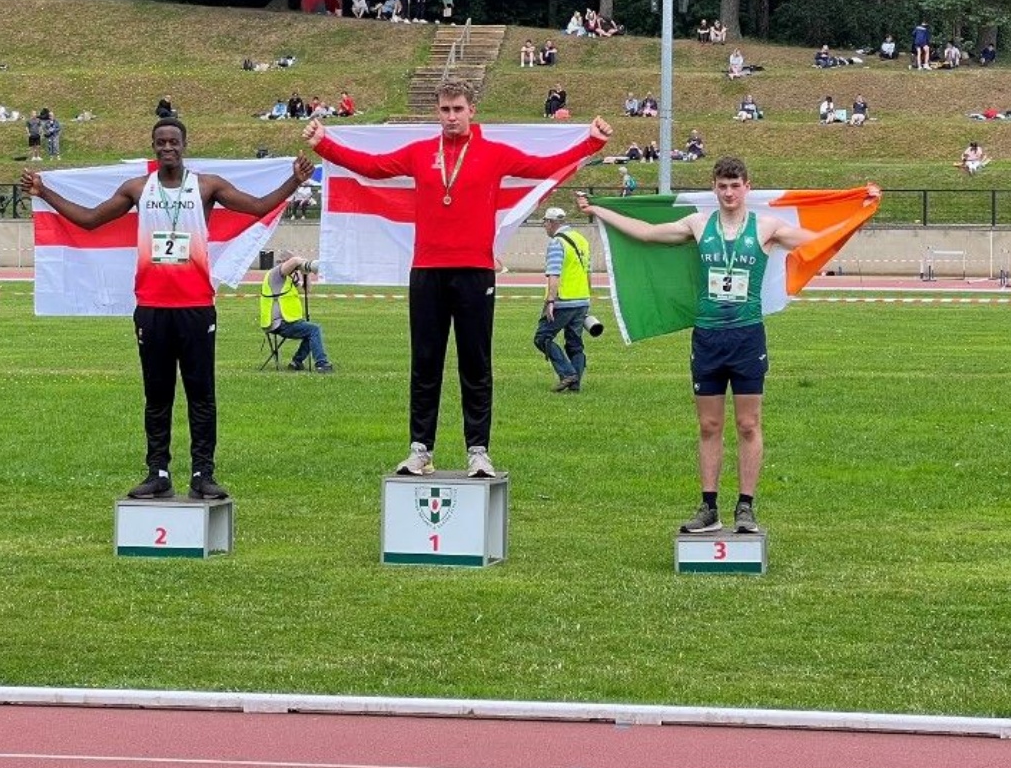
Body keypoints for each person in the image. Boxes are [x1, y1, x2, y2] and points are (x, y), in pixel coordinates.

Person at [303, 78, 611, 477]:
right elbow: (373, 167)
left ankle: (478, 450)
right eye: (445, 110)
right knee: (425, 362)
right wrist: (324, 145)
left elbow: (542, 166)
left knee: (476, 363)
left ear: (471, 111)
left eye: (458, 109)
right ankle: (420, 449)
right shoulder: (419, 152)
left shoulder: (494, 153)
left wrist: (591, 144)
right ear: (438, 112)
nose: (451, 117)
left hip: (475, 271)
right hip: (427, 270)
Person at [21, 118, 313, 500]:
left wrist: (294, 181)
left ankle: (202, 474)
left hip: (195, 307)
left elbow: (257, 207)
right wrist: (44, 191)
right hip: (152, 308)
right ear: (154, 146)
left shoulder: (206, 186)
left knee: (201, 395)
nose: (167, 147)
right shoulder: (137, 188)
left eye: (174, 141)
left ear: (184, 145)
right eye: (161, 142)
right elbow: (90, 220)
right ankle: (157, 472)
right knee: (157, 396)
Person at [576, 158, 859, 536]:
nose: (729, 193)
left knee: (748, 424)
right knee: (709, 425)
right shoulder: (699, 224)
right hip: (708, 338)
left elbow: (817, 240)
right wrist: (598, 210)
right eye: (722, 186)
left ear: (747, 187)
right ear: (714, 188)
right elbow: (647, 233)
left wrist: (860, 215)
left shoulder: (767, 227)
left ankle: (746, 507)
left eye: (735, 185)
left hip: (746, 337)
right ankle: (709, 508)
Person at [534, 207, 592, 392]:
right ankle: (575, 384)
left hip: (563, 300)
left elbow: (554, 273)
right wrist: (587, 298)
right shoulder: (582, 240)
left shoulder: (557, 243)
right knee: (574, 343)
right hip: (582, 299)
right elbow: (587, 272)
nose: (544, 226)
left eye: (545, 222)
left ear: (551, 223)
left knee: (542, 337)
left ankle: (567, 374)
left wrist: (550, 300)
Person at [259, 252, 333, 373]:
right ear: (283, 262)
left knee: (311, 332)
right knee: (314, 330)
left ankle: (296, 362)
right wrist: (302, 261)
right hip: (280, 322)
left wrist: (306, 272)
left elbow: (307, 290)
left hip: (286, 321)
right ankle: (321, 364)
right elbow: (295, 261)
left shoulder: (288, 278)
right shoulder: (276, 274)